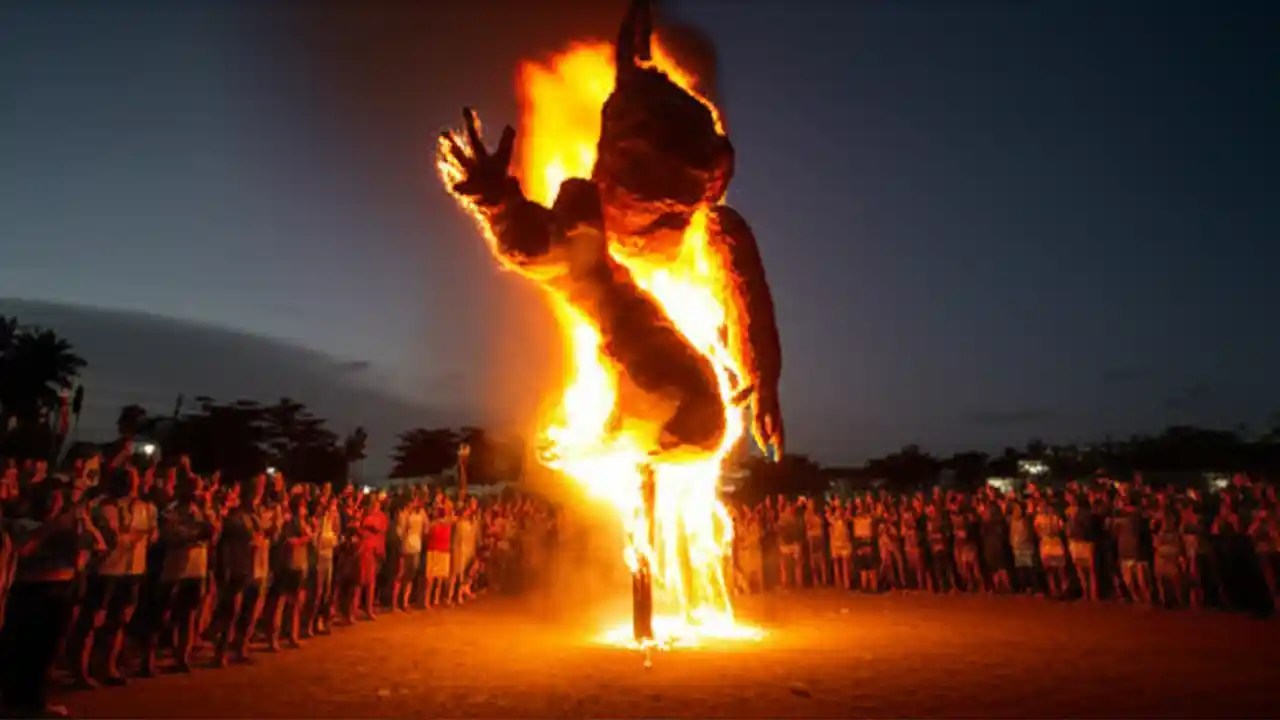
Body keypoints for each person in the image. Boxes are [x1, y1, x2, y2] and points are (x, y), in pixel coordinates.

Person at [0, 483, 87, 718]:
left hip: (60, 587)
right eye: (49, 497)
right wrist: (53, 526)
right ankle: (18, 701)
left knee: (46, 649)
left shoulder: (66, 526)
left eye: (57, 498)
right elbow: (25, 550)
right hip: (33, 589)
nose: (54, 503)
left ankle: (34, 700)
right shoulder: (21, 524)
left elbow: (85, 552)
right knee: (26, 648)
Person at [154, 472, 217, 672]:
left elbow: (213, 534)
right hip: (174, 569)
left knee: (189, 614)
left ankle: (183, 656)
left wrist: (206, 512)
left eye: (197, 489)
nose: (195, 493)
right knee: (164, 613)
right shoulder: (170, 511)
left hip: (196, 568)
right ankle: (150, 657)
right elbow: (171, 536)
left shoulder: (203, 512)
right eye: (192, 488)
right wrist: (196, 534)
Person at [393, 493, 426, 612]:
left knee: (410, 575)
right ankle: (395, 603)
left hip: (416, 547)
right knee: (401, 574)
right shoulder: (403, 514)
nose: (416, 503)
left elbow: (426, 526)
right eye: (414, 501)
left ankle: (405, 602)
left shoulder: (420, 514)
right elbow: (400, 532)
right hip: (405, 547)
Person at [1034, 497, 1068, 600]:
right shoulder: (1055, 518)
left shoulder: (1041, 518)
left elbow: (1037, 532)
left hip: (1048, 544)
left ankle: (1057, 589)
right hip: (1053, 544)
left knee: (1053, 570)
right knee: (1056, 569)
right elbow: (1062, 529)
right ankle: (1060, 589)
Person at [1066, 491, 1097, 601]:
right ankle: (1091, 594)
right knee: (1088, 571)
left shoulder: (1079, 514)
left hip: (1080, 542)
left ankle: (1088, 594)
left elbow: (1072, 530)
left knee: (1084, 570)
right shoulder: (1089, 513)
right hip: (1084, 543)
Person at [425, 502, 453, 607]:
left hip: (437, 551)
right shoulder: (446, 524)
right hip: (439, 551)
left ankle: (430, 600)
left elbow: (426, 534)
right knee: (436, 578)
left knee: (433, 578)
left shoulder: (435, 524)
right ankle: (433, 600)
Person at [803, 499, 828, 587]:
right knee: (813, 558)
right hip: (812, 537)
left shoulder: (817, 514)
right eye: (809, 504)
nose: (811, 506)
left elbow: (821, 524)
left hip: (819, 536)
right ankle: (815, 579)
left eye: (812, 504)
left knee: (821, 558)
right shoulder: (807, 514)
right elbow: (808, 526)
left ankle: (824, 579)